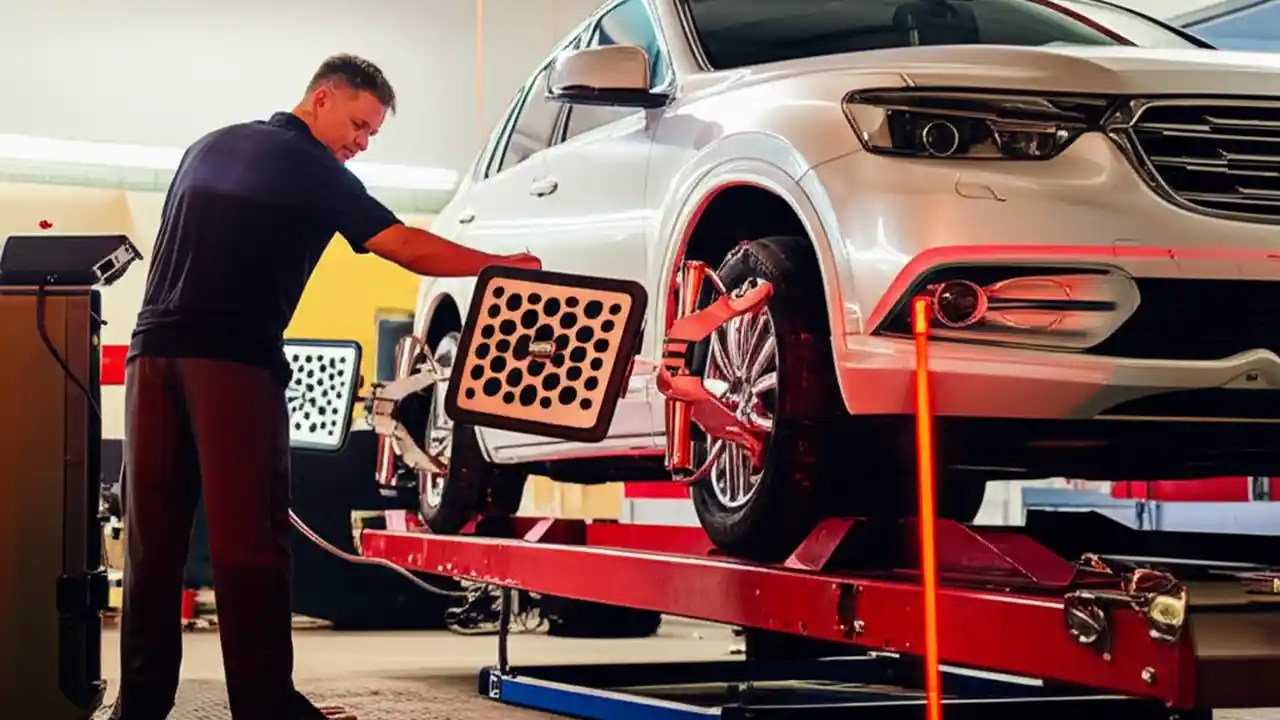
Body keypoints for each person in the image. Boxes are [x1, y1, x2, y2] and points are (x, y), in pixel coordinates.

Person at [109, 54, 540, 720]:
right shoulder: (307, 164)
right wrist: (499, 266)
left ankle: (138, 708)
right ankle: (267, 707)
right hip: (231, 364)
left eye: (371, 135)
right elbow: (401, 243)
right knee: (250, 543)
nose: (361, 144)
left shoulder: (211, 144)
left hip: (151, 357)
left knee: (152, 544)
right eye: (360, 124)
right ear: (321, 99)